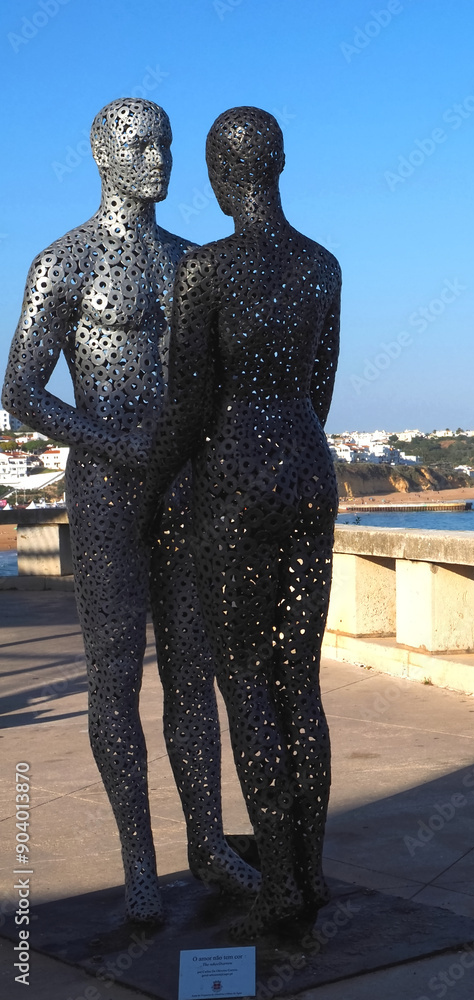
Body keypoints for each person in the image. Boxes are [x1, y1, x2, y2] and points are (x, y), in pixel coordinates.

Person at [2, 98, 258, 923]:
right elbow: (19, 389)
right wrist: (110, 444)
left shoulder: (194, 263)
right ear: (101, 152)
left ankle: (210, 845)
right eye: (141, 144)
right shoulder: (63, 262)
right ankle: (139, 865)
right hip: (110, 493)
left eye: (168, 144)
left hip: (185, 491)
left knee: (194, 677)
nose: (160, 159)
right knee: (114, 680)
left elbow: (216, 385)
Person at [144, 106, 341, 937]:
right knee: (302, 681)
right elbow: (319, 386)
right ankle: (310, 868)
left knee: (248, 684)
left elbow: (189, 404)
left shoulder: (208, 270)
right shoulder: (323, 266)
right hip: (308, 470)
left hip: (235, 479)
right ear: (283, 163)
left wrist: (149, 481)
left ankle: (280, 886)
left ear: (220, 177)